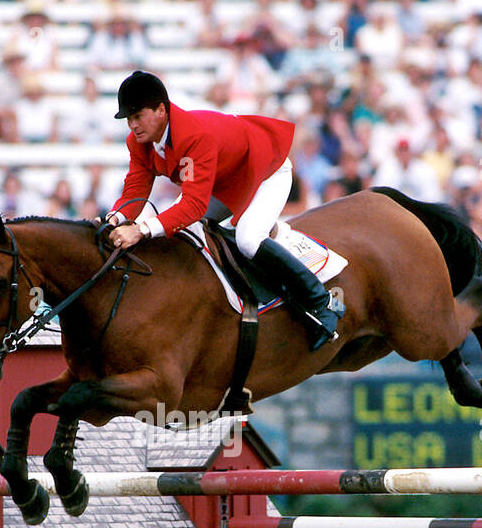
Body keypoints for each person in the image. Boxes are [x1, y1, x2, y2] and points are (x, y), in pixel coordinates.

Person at [103, 70, 340, 348]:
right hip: (226, 183)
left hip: (266, 171)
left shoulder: (193, 135)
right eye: (128, 119)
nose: (132, 125)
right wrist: (113, 218)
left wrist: (141, 230)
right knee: (184, 234)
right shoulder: (139, 142)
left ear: (160, 110)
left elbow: (193, 205)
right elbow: (135, 190)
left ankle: (322, 303)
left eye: (137, 116)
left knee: (248, 240)